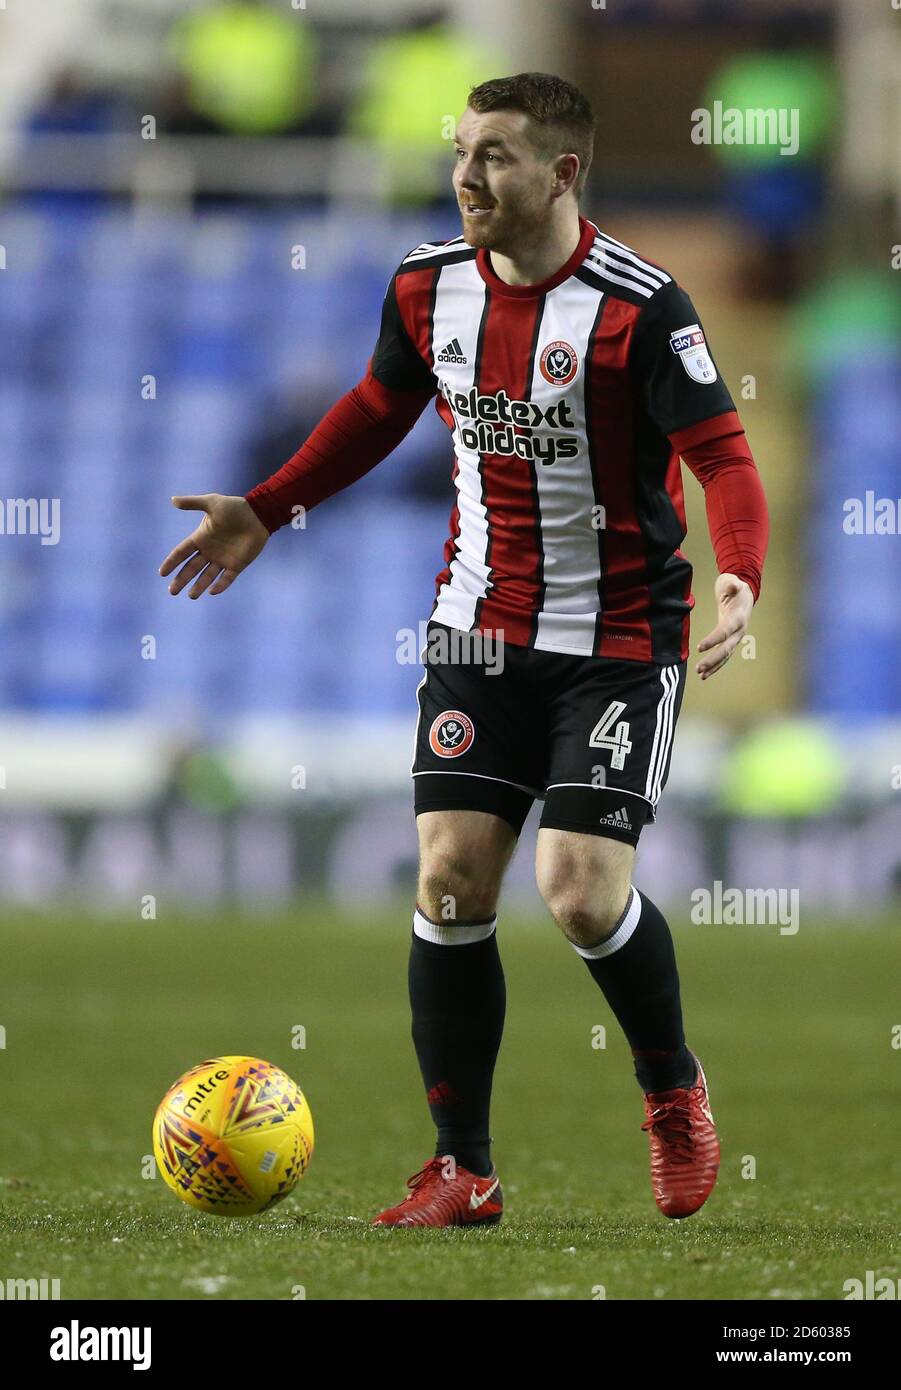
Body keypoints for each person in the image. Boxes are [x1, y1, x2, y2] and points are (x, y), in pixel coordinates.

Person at [160, 72, 769, 1228]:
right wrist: (270, 503)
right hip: (479, 632)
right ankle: (462, 1167)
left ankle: (671, 1088)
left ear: (562, 173)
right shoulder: (423, 287)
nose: (467, 176)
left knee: (581, 897)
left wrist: (737, 570)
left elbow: (726, 461)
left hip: (619, 638)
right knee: (448, 880)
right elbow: (376, 408)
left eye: (494, 155)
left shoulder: (643, 308)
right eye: (462, 151)